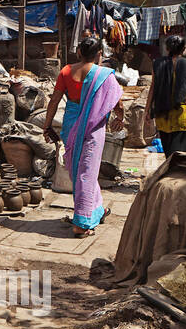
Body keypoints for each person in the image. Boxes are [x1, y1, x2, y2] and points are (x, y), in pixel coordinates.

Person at [43, 36, 125, 237]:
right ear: (99, 54)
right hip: (94, 126)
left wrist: (47, 126)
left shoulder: (66, 71)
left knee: (79, 170)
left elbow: (54, 101)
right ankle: (81, 223)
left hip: (71, 124)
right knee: (87, 172)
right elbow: (118, 104)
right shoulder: (104, 74)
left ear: (79, 52)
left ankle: (96, 211)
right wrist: (120, 118)